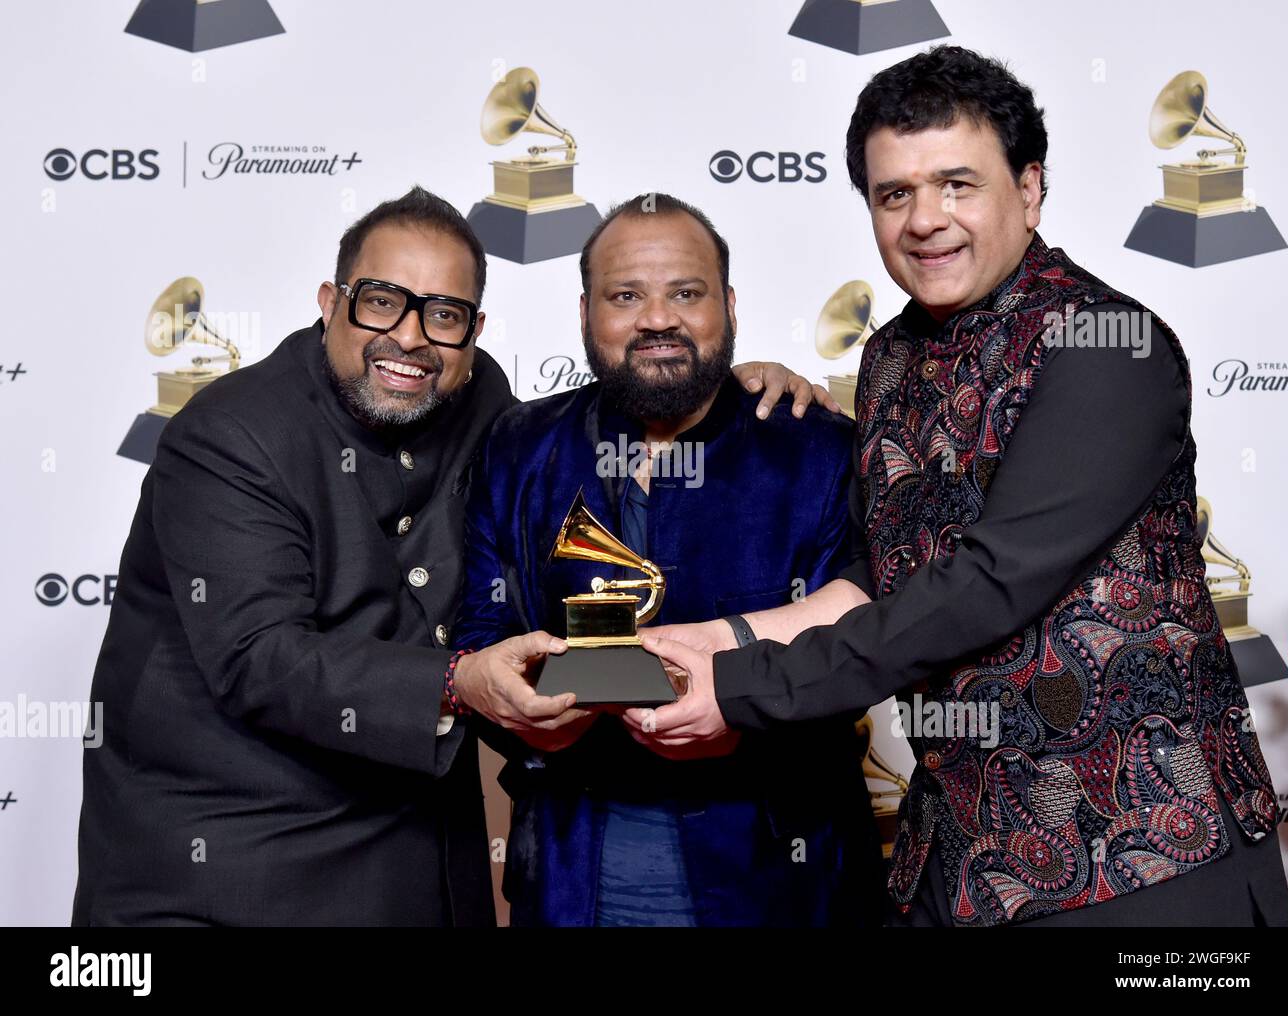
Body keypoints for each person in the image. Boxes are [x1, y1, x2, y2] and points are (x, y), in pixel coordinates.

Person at [635, 46, 1288, 928]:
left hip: (1146, 864)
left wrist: (749, 687)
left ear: (1028, 189)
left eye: (958, 184)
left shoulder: (1108, 345)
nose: (924, 220)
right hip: (961, 864)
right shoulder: (889, 357)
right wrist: (719, 642)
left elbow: (987, 581)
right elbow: (887, 577)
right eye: (894, 193)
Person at [72, 185, 835, 926]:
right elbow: (256, 656)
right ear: (330, 300)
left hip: (414, 856)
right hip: (231, 866)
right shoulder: (228, 434)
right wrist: (457, 682)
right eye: (380, 300)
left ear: (472, 331)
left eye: (443, 315)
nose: (409, 336)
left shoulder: (483, 402)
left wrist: (735, 391)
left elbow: (641, 404)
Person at [452, 193, 877, 927]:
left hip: (782, 887)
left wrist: (744, 705)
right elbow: (481, 632)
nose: (657, 319)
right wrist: (511, 705)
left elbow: (868, 645)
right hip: (568, 883)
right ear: (586, 312)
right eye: (626, 296)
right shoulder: (516, 446)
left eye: (687, 292)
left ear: (730, 306)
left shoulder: (821, 451)